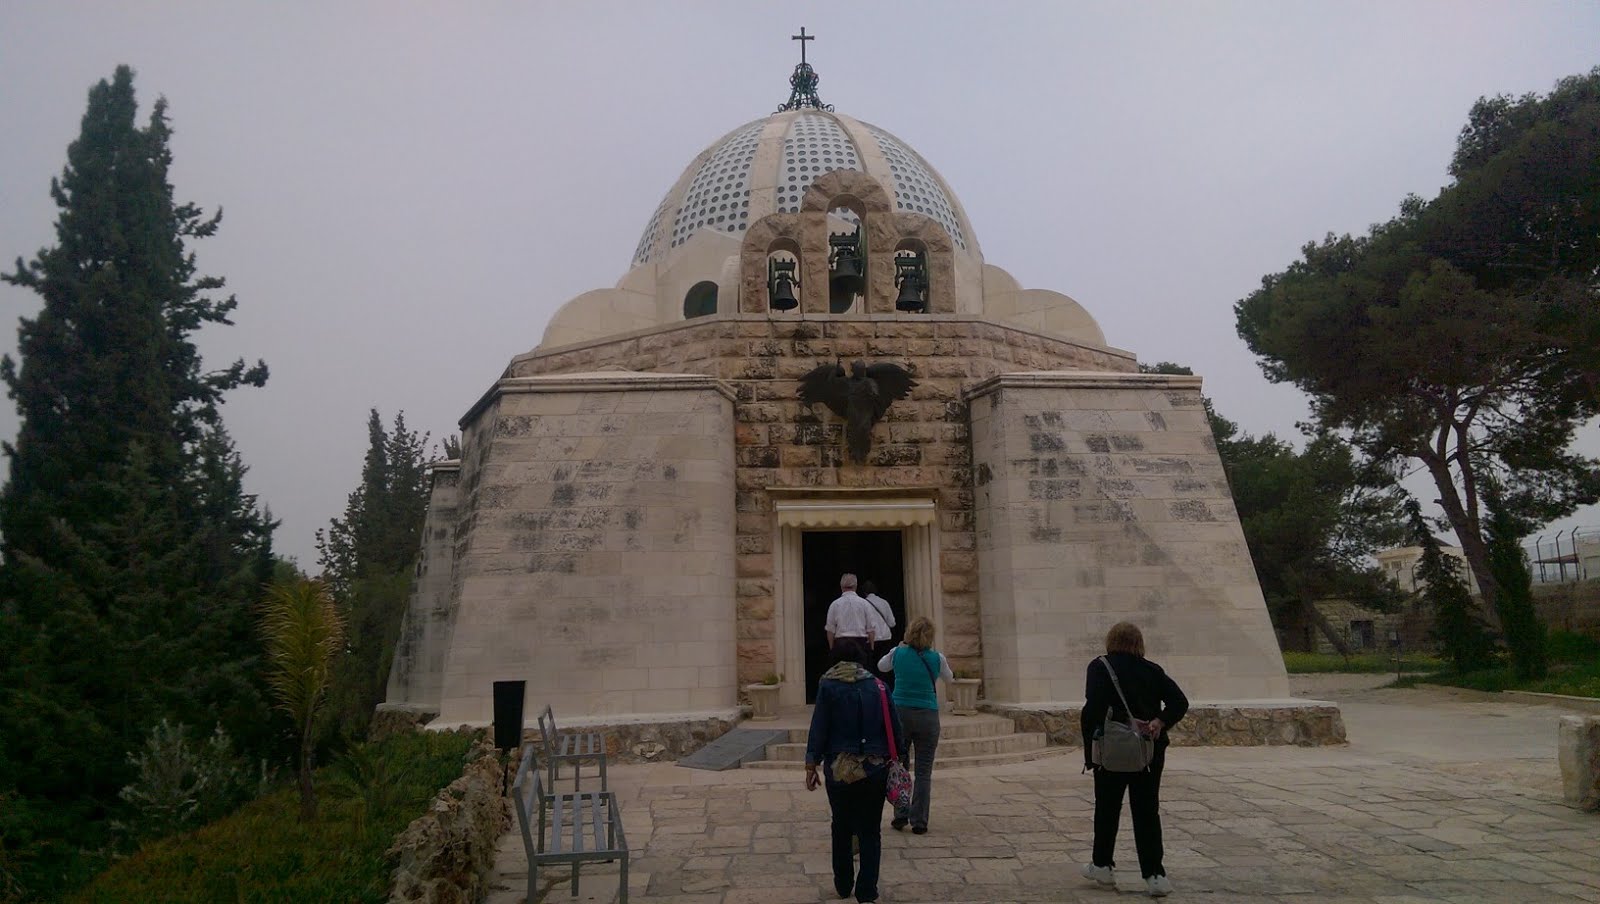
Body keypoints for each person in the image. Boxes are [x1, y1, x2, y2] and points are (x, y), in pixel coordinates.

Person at [1079, 622, 1188, 898]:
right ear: (1139, 643)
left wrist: (1091, 753)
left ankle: (1102, 864)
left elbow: (1093, 708)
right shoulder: (1152, 671)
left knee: (1106, 808)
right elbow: (1179, 702)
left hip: (1112, 750)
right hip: (1147, 753)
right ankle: (1154, 875)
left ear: (1111, 640)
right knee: (1147, 811)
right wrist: (1159, 721)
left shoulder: (1100, 667)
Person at [805, 641, 903, 904]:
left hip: (839, 769)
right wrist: (901, 759)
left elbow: (819, 727)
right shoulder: (880, 687)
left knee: (841, 825)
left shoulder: (828, 686)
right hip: (874, 769)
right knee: (871, 830)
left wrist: (810, 763)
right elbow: (895, 729)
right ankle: (867, 890)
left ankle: (843, 881)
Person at [876, 615, 951, 834]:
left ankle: (901, 814)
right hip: (928, 715)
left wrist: (900, 650)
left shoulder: (897, 653)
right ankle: (920, 821)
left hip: (900, 714)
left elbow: (881, 667)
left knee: (899, 765)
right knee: (924, 771)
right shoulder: (937, 658)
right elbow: (950, 678)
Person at [825, 573, 877, 664]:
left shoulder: (835, 604)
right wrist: (871, 648)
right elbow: (871, 629)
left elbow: (830, 630)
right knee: (860, 673)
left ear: (841, 587)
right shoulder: (864, 604)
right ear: (856, 586)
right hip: (860, 643)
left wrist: (832, 648)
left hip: (841, 643)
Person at [861, 581, 897, 686]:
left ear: (864, 592)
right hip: (885, 638)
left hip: (870, 640)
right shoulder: (884, 602)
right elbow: (892, 623)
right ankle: (885, 691)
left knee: (870, 669)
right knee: (885, 669)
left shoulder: (862, 604)